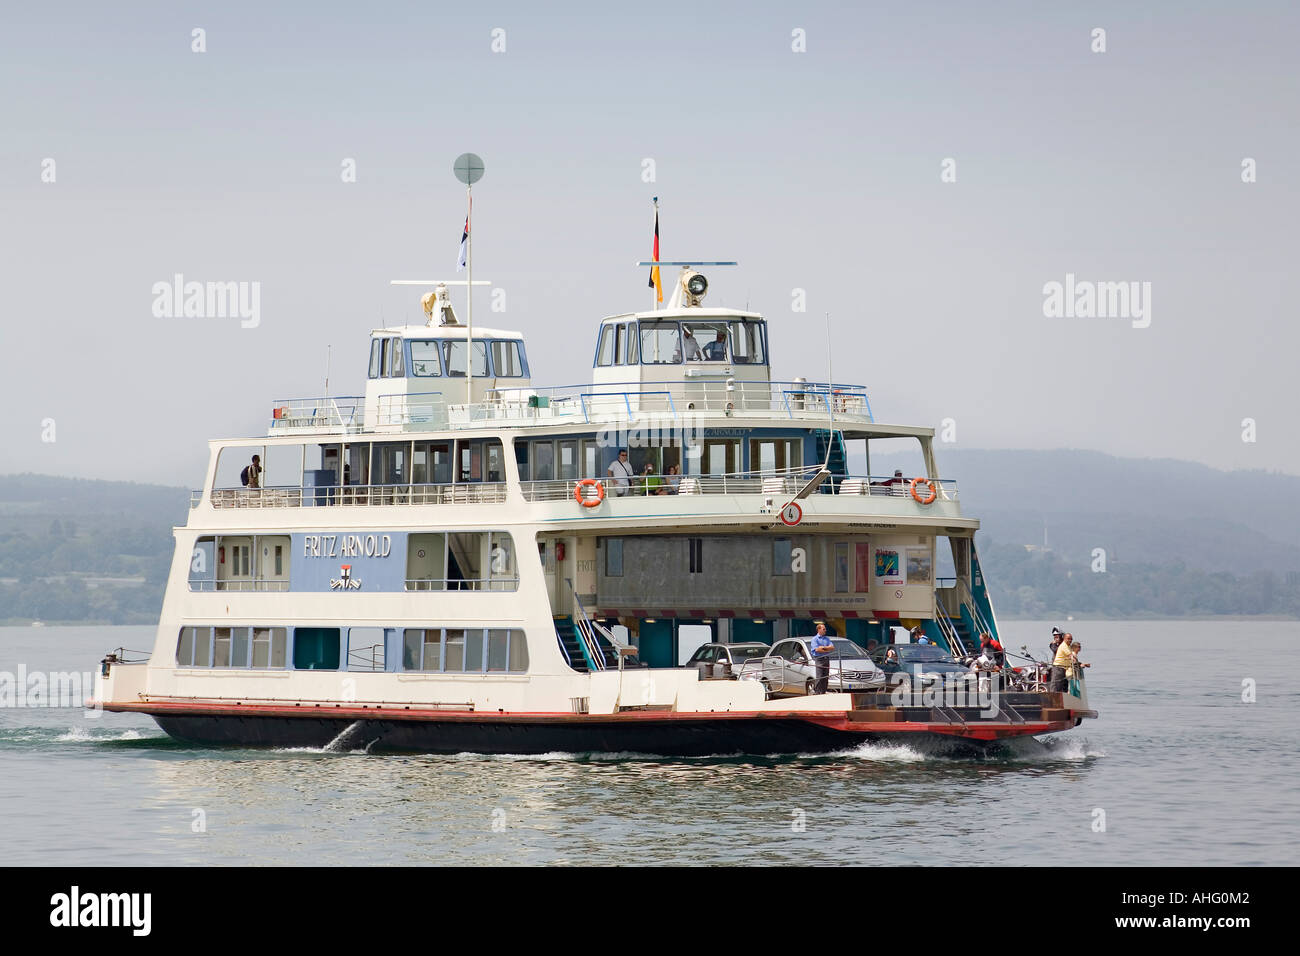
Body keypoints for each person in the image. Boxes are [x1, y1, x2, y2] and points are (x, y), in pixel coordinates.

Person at [809, 622, 834, 694]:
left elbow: (832, 647)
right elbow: (817, 649)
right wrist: (827, 648)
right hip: (819, 659)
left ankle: (823, 691)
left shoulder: (827, 638)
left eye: (825, 629)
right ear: (819, 630)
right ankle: (817, 692)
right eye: (824, 629)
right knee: (819, 676)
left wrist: (823, 647)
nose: (825, 630)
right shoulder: (815, 639)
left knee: (826, 676)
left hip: (826, 658)